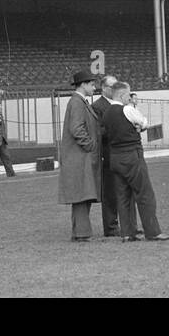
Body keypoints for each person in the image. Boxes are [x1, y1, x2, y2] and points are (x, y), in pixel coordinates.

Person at [102, 82, 169, 242]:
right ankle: (153, 232)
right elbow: (144, 122)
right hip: (131, 155)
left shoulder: (106, 113)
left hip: (115, 157)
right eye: (128, 95)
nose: (131, 98)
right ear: (121, 95)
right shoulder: (127, 109)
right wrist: (139, 126)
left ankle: (127, 233)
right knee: (144, 193)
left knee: (123, 196)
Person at [57, 70, 102, 241]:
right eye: (92, 84)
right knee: (83, 195)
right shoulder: (77, 102)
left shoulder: (78, 101)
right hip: (79, 157)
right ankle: (82, 233)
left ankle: (79, 233)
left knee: (81, 196)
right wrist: (90, 145)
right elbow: (76, 129)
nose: (94, 87)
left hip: (78, 156)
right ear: (83, 84)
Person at [89, 74, 122, 237]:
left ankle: (125, 223)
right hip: (108, 154)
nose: (115, 89)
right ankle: (110, 227)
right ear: (104, 88)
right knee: (110, 192)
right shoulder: (97, 106)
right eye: (112, 86)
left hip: (121, 152)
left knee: (122, 190)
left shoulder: (119, 103)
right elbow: (98, 132)